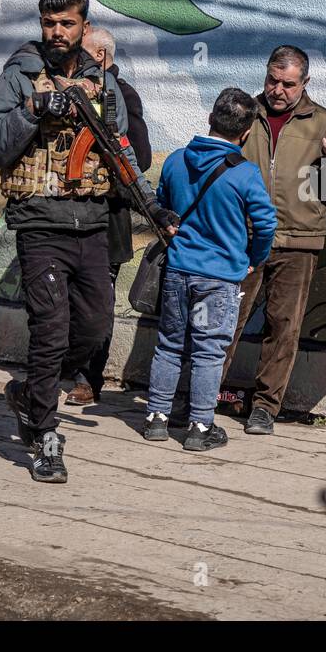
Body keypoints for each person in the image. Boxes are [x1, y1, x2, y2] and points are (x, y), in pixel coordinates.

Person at [0, 0, 176, 484]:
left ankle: (29, 394)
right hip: (39, 222)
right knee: (50, 331)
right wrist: (34, 111)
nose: (57, 33)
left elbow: (122, 151)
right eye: (50, 24)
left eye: (67, 24)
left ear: (84, 27)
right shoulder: (21, 73)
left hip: (90, 221)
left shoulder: (104, 86)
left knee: (90, 328)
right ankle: (45, 436)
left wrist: (153, 207)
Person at [216, 45, 326, 435]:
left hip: (299, 241)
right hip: (242, 238)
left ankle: (264, 407)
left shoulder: (325, 124)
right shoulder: (244, 115)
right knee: (226, 321)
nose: (278, 90)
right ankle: (203, 397)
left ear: (304, 83)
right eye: (272, 80)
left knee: (284, 326)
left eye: (288, 84)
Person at [142, 88, 277, 452]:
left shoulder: (175, 160)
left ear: (209, 120)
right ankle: (201, 426)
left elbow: (165, 209)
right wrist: (254, 257)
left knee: (169, 344)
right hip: (217, 280)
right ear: (245, 133)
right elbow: (266, 224)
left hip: (178, 270)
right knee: (208, 351)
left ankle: (156, 418)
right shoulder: (246, 173)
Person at [63, 25, 154, 406]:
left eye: (80, 53)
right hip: (67, 211)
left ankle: (88, 379)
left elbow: (141, 158)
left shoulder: (121, 95)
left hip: (107, 215)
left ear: (100, 57)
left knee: (97, 302)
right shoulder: (68, 89)